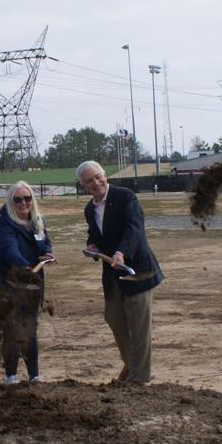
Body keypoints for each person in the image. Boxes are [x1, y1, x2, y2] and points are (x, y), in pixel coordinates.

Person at [77, 160, 163, 384]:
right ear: (83, 185)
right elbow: (96, 234)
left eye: (98, 176)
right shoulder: (89, 209)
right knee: (114, 319)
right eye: (89, 181)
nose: (96, 183)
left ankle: (139, 378)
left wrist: (121, 252)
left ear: (105, 175)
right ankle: (132, 365)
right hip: (112, 276)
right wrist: (92, 245)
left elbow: (134, 227)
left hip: (137, 271)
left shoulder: (126, 197)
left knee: (139, 328)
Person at [0, 180, 55, 384]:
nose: (23, 203)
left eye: (27, 198)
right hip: (9, 285)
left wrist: (46, 254)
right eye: (18, 199)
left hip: (31, 286)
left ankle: (34, 375)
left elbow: (44, 243)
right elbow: (8, 249)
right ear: (11, 202)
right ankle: (11, 376)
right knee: (12, 329)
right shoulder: (5, 224)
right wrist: (24, 265)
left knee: (30, 328)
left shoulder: (37, 221)